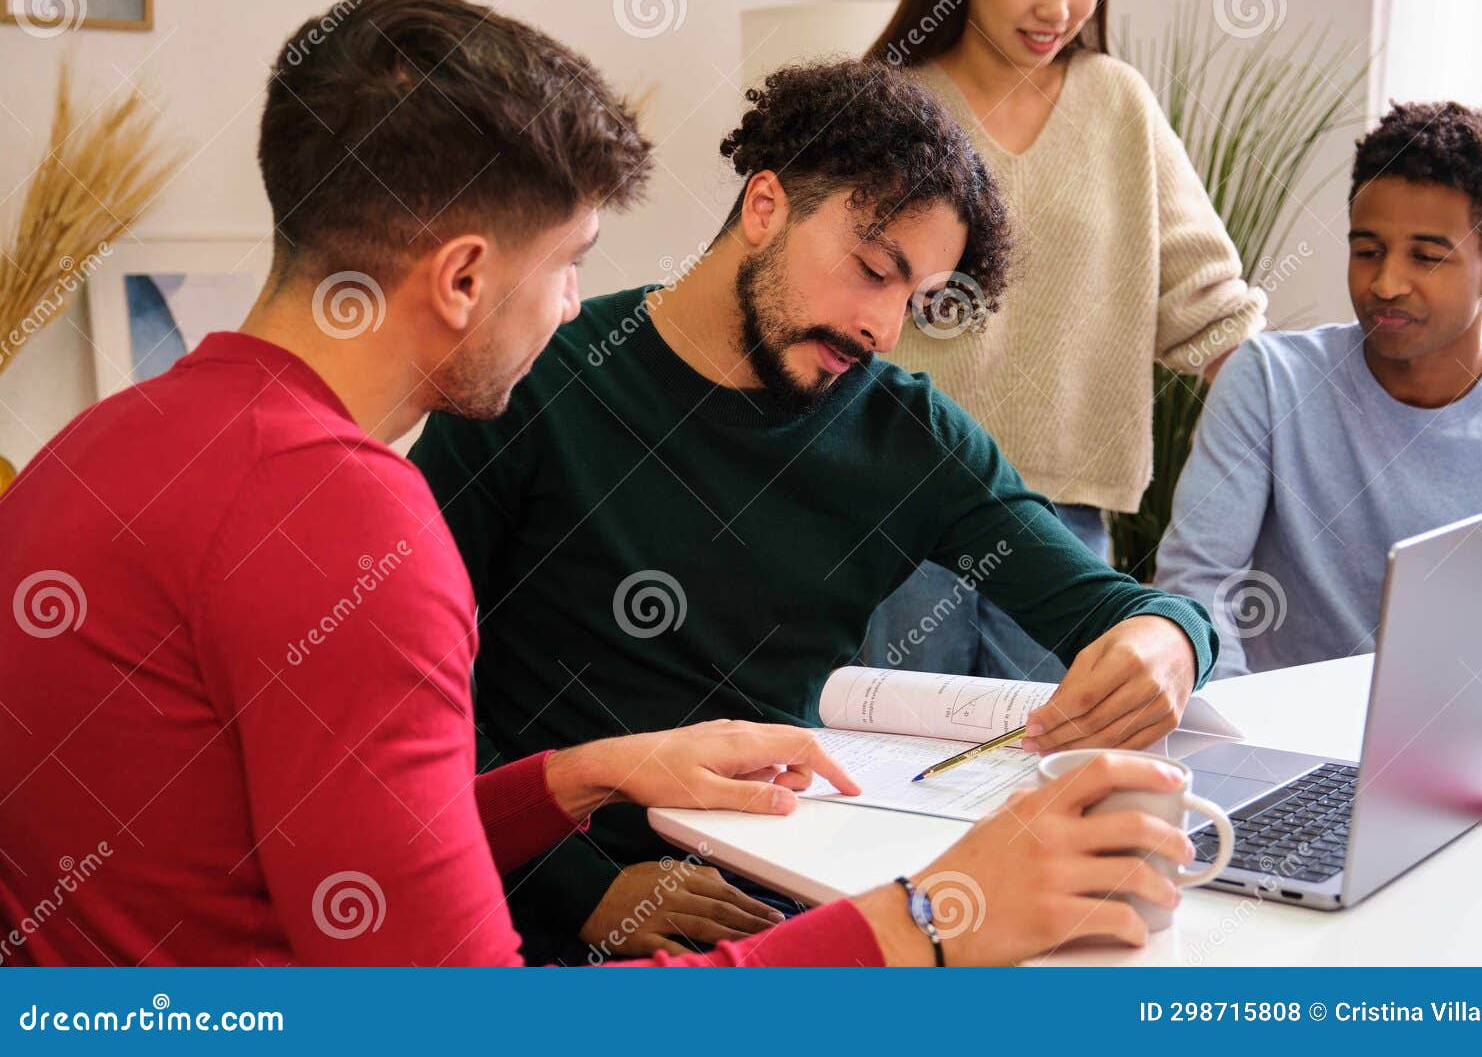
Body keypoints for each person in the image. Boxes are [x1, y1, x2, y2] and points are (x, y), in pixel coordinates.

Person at [0, 0, 1201, 968]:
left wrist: (579, 776)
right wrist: (928, 919)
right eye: (569, 263)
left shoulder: (95, 452)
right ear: (465, 278)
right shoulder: (359, 529)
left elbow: (293, 852)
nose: (578, 301)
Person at [409, 54, 1219, 962]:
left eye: (916, 299)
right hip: (521, 904)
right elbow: (404, 708)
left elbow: (1129, 609)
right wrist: (581, 891)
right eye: (875, 269)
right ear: (765, 209)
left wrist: (1169, 645)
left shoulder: (909, 437)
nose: (884, 327)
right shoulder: (545, 378)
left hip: (788, 901)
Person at [857, 0, 1266, 684]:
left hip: (1061, 518)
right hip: (901, 501)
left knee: (1056, 766)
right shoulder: (894, 105)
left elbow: (1208, 303)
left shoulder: (1117, 102)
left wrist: (1307, 421)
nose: (1059, 8)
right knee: (899, 771)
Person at [1155, 100, 1482, 678]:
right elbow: (1196, 584)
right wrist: (1245, 739)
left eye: (1426, 257)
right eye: (1368, 251)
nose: (1386, 283)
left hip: (1452, 762)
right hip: (1265, 741)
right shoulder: (1266, 380)